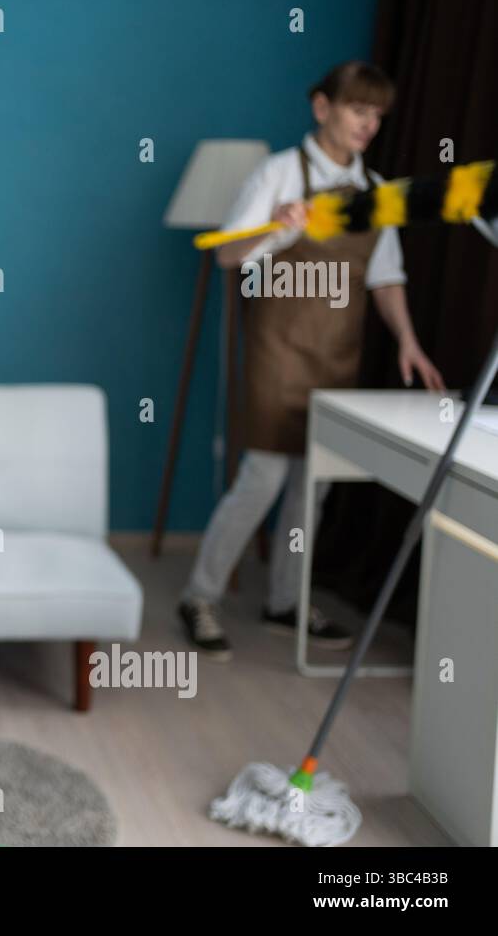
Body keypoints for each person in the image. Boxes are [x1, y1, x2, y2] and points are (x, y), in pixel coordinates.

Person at [177, 60, 445, 662]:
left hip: (337, 353)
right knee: (264, 477)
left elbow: (386, 277)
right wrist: (274, 227)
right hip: (279, 349)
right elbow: (228, 257)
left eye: (377, 115)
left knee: (312, 489)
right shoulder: (276, 173)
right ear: (322, 107)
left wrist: (407, 339)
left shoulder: (379, 192)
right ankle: (199, 595)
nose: (368, 125)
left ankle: (286, 601)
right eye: (358, 110)